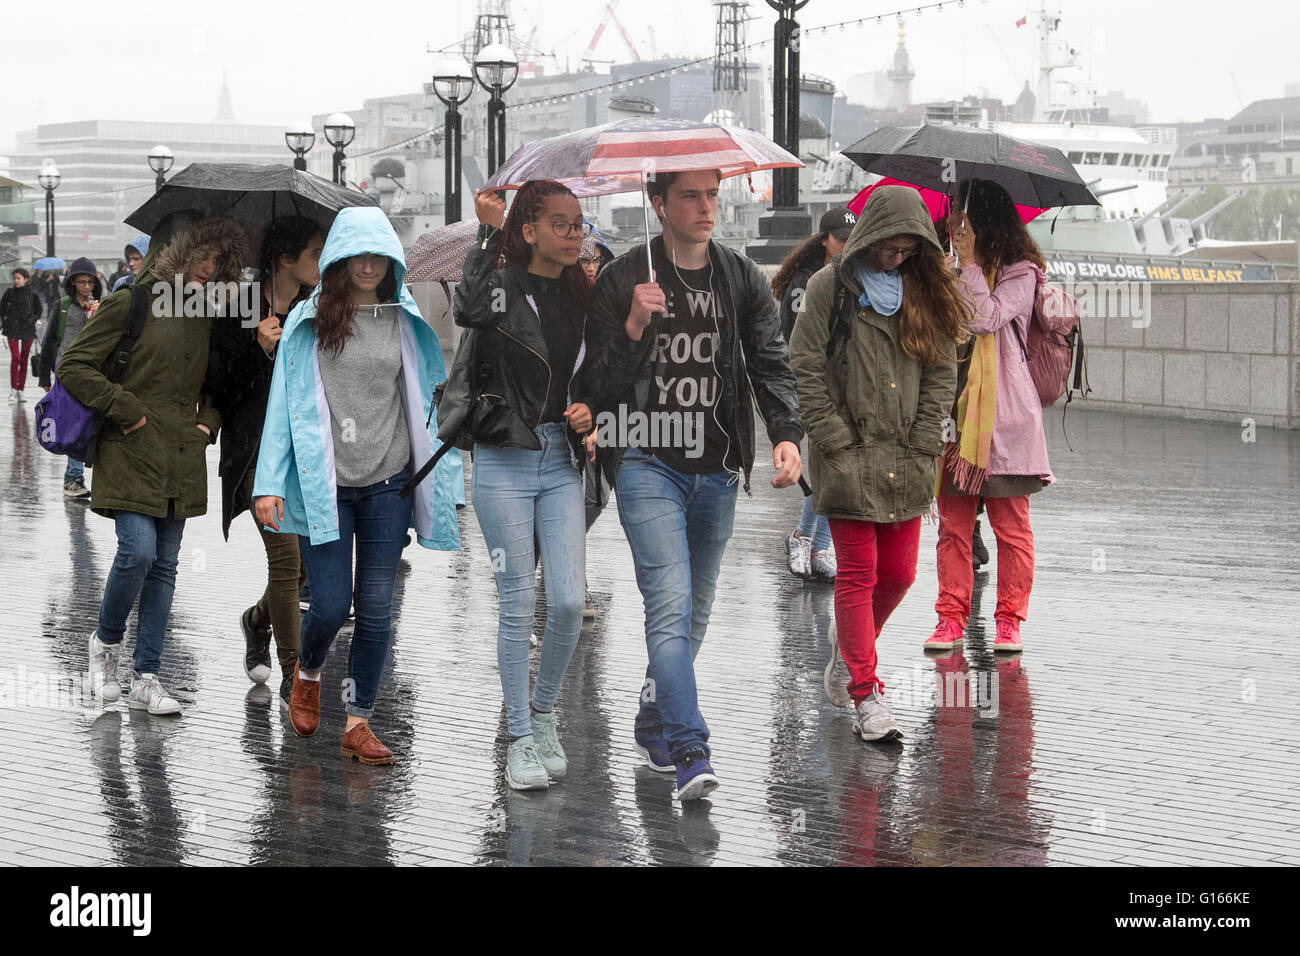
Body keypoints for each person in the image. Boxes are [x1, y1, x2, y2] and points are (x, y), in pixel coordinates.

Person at [584, 168, 804, 801]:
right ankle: (689, 748)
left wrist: (785, 433)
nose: (707, 206)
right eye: (691, 195)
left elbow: (769, 360)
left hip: (718, 468)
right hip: (645, 463)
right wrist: (631, 326)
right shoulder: (623, 277)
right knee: (669, 605)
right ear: (659, 204)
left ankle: (653, 721)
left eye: (712, 194)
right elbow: (595, 388)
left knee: (696, 610)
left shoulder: (739, 277)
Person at [254, 206, 462, 766]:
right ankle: (308, 672)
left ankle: (359, 721)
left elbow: (428, 398)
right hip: (327, 485)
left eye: (378, 255)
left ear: (391, 260)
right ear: (340, 259)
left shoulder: (405, 318)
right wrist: (268, 483)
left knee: (375, 609)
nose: (368, 265)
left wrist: (448, 476)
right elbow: (283, 407)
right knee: (327, 605)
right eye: (357, 255)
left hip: (388, 483)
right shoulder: (310, 318)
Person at [789, 185, 967, 738]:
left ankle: (848, 655)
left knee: (900, 573)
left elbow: (941, 373)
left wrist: (924, 441)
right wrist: (834, 438)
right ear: (868, 238)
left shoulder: (926, 293)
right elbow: (804, 365)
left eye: (907, 249)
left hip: (908, 457)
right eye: (888, 247)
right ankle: (867, 693)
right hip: (848, 457)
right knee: (858, 574)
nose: (896, 257)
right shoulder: (829, 288)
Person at [58, 211, 247, 714]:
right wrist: (129, 411)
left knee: (164, 566)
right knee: (137, 552)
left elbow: (218, 381)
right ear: (175, 251)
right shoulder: (131, 301)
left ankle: (148, 675)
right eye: (202, 255)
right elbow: (73, 365)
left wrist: (208, 421)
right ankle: (104, 646)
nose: (209, 266)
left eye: (217, 258)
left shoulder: (207, 311)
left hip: (182, 455)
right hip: (129, 448)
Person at [454, 181, 593, 791]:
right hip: (505, 459)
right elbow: (467, 307)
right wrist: (486, 233)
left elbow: (604, 369)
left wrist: (594, 409)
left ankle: (543, 715)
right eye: (560, 224)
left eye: (579, 224)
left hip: (562, 459)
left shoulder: (586, 295)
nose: (574, 235)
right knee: (515, 601)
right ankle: (516, 737)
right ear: (528, 230)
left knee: (566, 601)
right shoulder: (502, 288)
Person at [925, 179, 1054, 655]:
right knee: (953, 528)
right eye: (953, 217)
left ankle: (1008, 620)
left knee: (1011, 528)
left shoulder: (1022, 274)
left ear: (986, 222)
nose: (955, 226)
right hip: (955, 416)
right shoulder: (951, 268)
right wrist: (941, 277)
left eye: (963, 217)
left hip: (1005, 422)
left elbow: (987, 317)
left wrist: (971, 268)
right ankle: (949, 617)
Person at [208, 216, 324, 708]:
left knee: (304, 571)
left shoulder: (313, 309)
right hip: (256, 452)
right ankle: (293, 671)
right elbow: (218, 386)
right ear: (284, 260)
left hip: (304, 454)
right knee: (286, 560)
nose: (322, 263)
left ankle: (257, 619)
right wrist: (256, 349)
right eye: (314, 254)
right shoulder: (238, 308)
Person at [771, 206, 856, 582]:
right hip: (811, 387)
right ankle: (804, 537)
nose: (847, 246)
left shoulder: (853, 278)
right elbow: (793, 342)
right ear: (825, 240)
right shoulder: (805, 284)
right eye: (841, 239)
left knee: (835, 468)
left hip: (843, 386)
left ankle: (818, 543)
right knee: (826, 465)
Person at [38, 257, 105, 499]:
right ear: (72, 283)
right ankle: (73, 478)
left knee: (86, 419)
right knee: (75, 419)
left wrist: (97, 316)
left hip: (91, 369)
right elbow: (48, 340)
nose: (86, 287)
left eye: (89, 282)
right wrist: (44, 374)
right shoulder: (63, 305)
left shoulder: (100, 306)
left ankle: (74, 477)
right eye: (81, 282)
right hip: (65, 368)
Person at [1, 268, 43, 403]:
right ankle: (13, 389)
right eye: (14, 278)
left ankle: (20, 390)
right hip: (12, 328)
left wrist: (33, 319)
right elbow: (1, 309)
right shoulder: (9, 293)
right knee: (16, 358)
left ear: (26, 279)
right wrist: (6, 320)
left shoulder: (32, 294)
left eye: (18, 278)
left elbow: (39, 310)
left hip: (27, 329)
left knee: (24, 360)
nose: (16, 281)